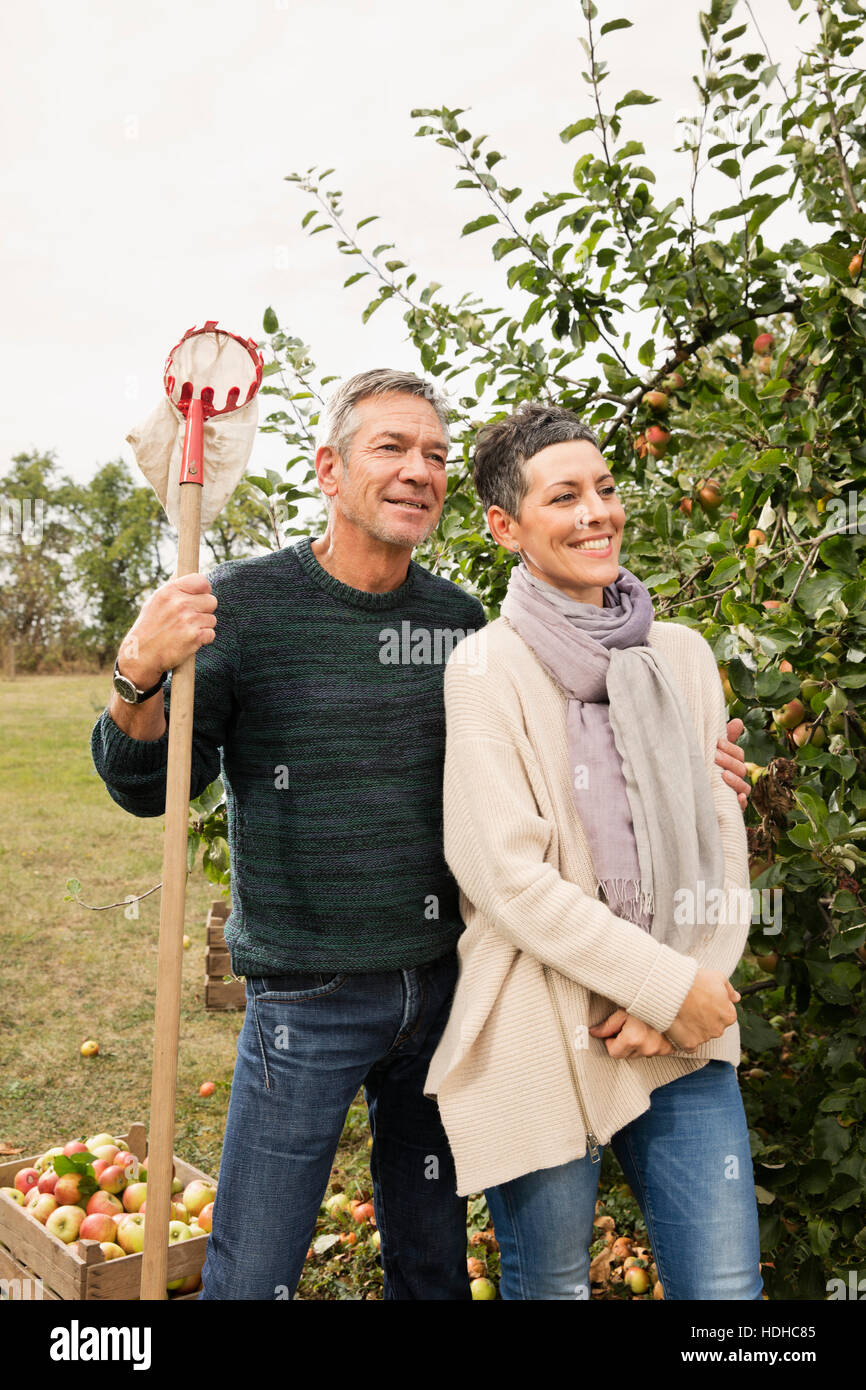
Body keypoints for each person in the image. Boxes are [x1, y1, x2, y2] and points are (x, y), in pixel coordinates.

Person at [91, 371, 752, 1301]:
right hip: (309, 996)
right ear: (328, 469)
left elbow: (560, 772)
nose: (418, 471)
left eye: (436, 455)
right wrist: (138, 672)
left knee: (435, 1265)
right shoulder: (239, 606)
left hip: (448, 991)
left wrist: (692, 764)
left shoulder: (457, 623)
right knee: (254, 1268)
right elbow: (144, 788)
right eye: (391, 449)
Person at [425, 402, 763, 1301]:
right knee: (551, 1286)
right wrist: (661, 984)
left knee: (726, 1294)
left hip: (683, 1024)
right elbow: (505, 875)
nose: (596, 514)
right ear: (506, 527)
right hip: (542, 1017)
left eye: (605, 490)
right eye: (564, 496)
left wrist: (688, 991)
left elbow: (720, 845)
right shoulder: (484, 669)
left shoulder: (682, 655)